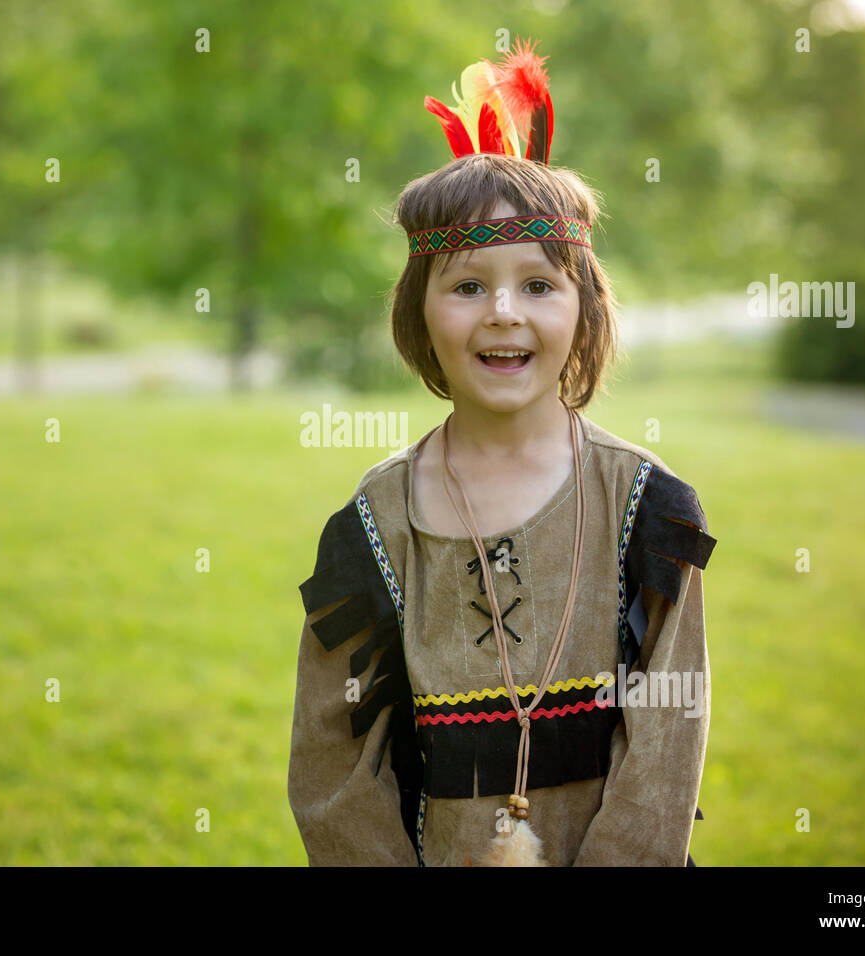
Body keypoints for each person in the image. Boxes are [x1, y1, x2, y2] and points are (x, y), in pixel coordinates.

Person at [288, 37, 717, 866]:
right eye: (469, 285)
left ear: (584, 309)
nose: (504, 313)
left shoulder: (647, 507)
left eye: (539, 285)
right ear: (421, 312)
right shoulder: (378, 522)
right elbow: (333, 764)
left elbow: (669, 734)